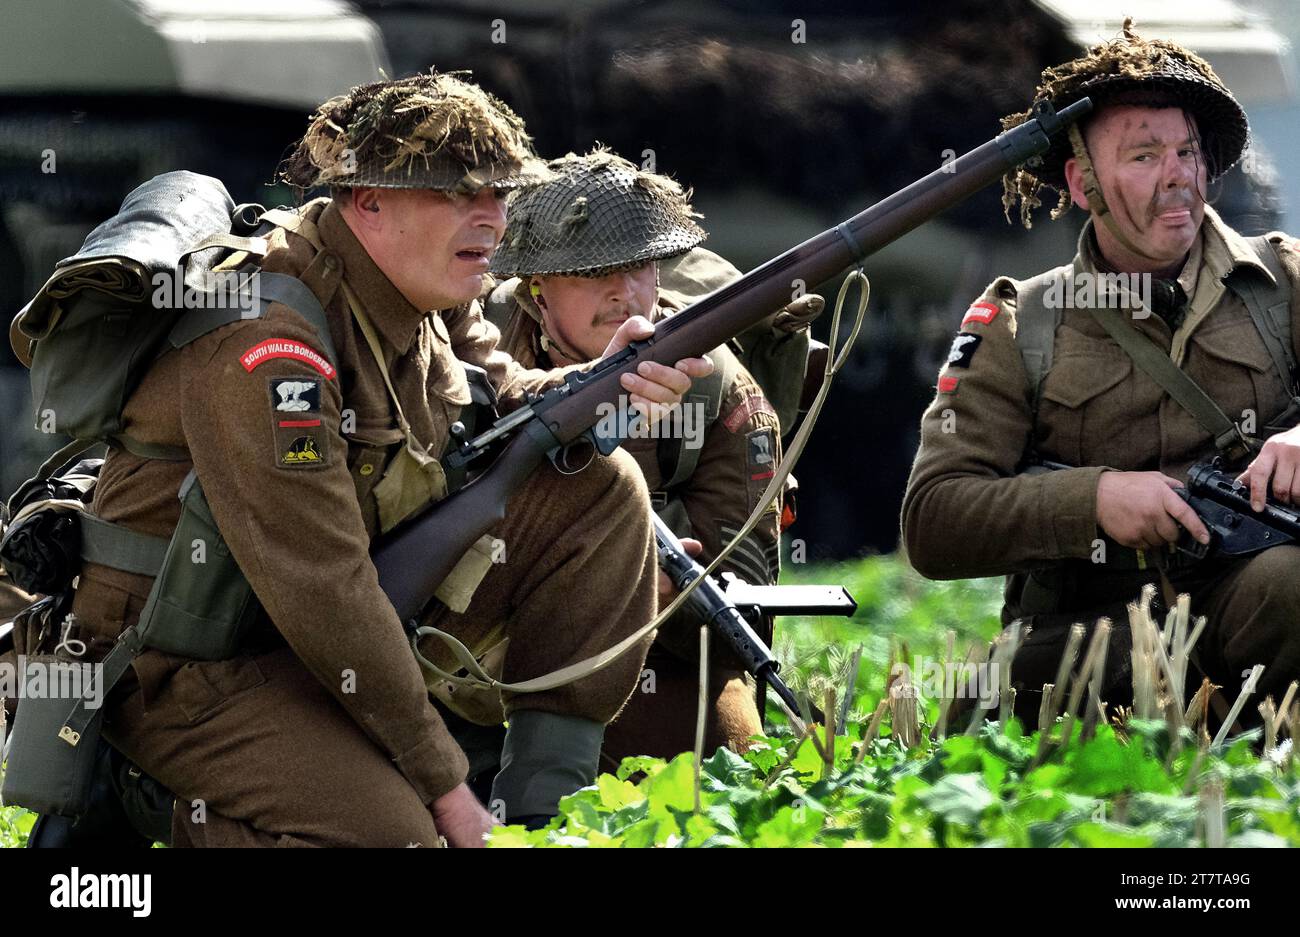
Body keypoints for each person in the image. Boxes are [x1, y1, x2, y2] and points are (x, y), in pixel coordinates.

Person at [33, 73, 711, 846]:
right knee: (400, 840)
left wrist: (599, 380)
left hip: (314, 635)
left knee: (596, 485)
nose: (492, 218)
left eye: (499, 194)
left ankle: (539, 815)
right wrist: (446, 787)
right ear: (369, 201)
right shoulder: (268, 340)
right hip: (187, 665)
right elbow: (324, 585)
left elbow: (504, 391)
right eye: (459, 194)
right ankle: (142, 789)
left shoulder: (432, 288)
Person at [901, 23, 1300, 725]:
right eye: (1144, 156)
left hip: (1248, 604)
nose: (1178, 175)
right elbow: (933, 519)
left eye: (1186, 151)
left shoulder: (1285, 284)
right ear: (1084, 186)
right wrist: (1095, 501)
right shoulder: (1020, 324)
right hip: (1087, 633)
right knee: (994, 715)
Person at [485, 148, 820, 764]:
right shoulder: (478, 356)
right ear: (536, 290)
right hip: (478, 654)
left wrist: (647, 589)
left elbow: (743, 583)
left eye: (637, 267)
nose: (621, 291)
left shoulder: (720, 388)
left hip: (655, 657)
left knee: (723, 762)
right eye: (591, 272)